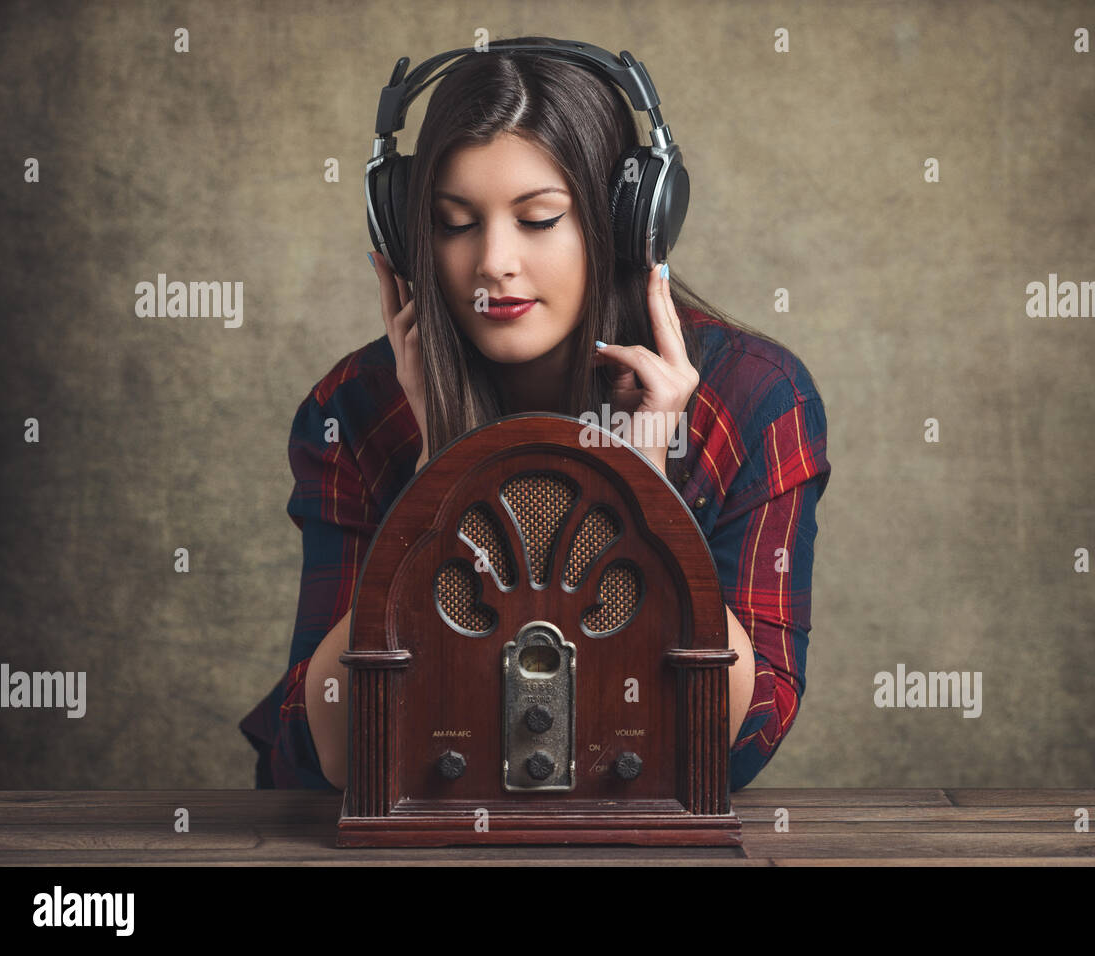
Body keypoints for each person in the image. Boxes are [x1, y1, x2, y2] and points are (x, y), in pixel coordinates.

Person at [239, 38, 831, 793]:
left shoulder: (755, 398)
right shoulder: (354, 408)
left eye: (540, 218)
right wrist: (436, 484)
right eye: (455, 223)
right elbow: (324, 746)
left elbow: (735, 741)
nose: (493, 262)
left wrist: (640, 493)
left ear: (628, 224)